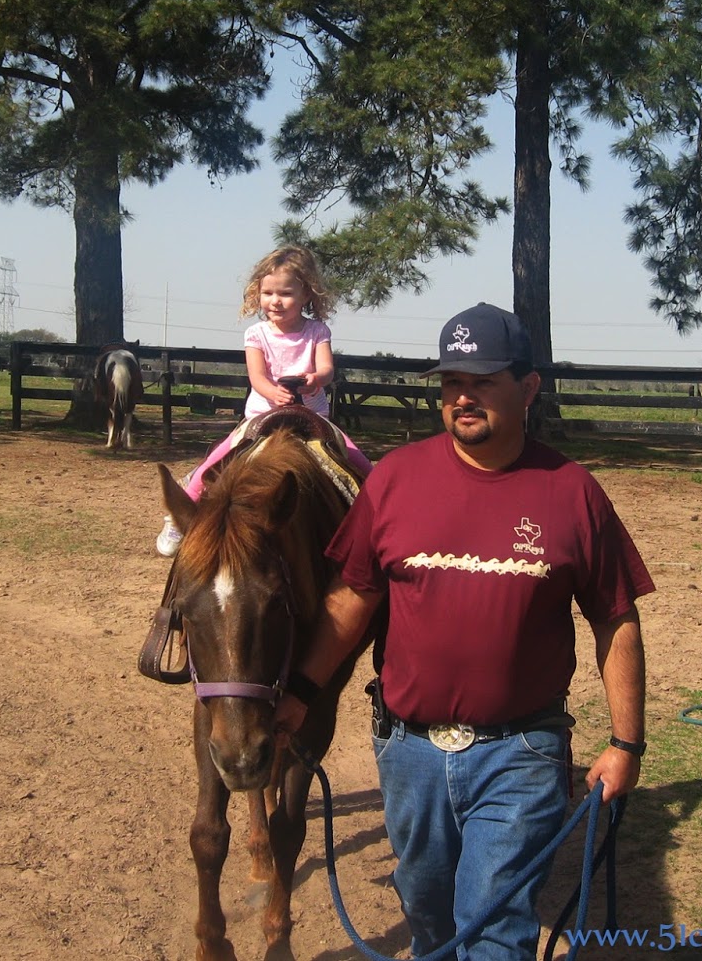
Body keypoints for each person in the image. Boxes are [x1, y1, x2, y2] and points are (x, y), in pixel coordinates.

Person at [273, 302, 653, 960]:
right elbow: (353, 598)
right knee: (428, 918)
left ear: (528, 387)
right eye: (451, 382)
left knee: (494, 927)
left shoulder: (572, 492)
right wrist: (300, 695)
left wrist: (626, 741)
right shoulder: (393, 480)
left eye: (481, 380)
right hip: (409, 752)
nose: (462, 397)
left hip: (520, 752)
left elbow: (615, 615)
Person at [156, 245, 373, 556]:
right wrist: (274, 393)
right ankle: (180, 515)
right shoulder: (257, 334)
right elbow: (257, 378)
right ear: (257, 294)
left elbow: (326, 367)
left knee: (355, 458)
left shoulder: (317, 331)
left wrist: (316, 379)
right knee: (219, 458)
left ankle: (381, 508)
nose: (275, 301)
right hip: (263, 415)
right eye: (267, 293)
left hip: (312, 416)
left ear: (306, 295)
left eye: (285, 293)